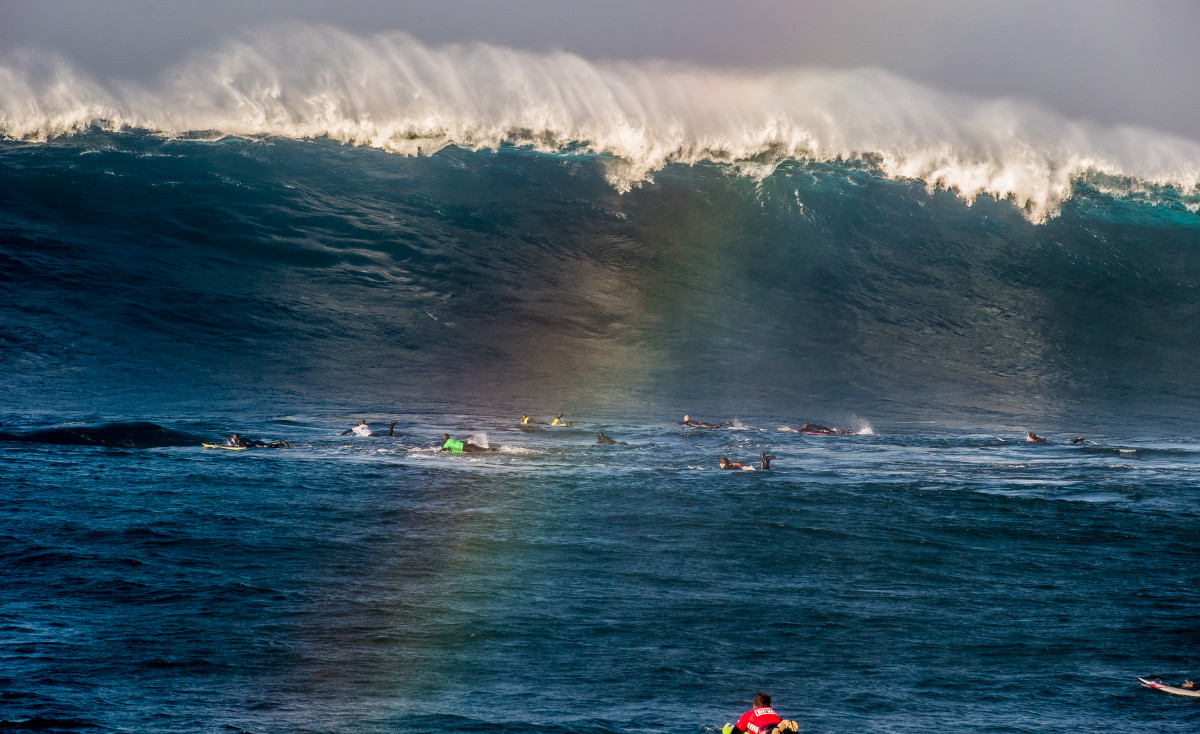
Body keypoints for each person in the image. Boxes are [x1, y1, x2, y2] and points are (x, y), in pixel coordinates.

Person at [228, 433, 292, 448]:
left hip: (256, 444)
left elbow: (247, 446)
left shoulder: (239, 441)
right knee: (269, 446)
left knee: (267, 446)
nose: (231, 440)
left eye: (231, 439)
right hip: (256, 442)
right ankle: (280, 443)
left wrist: (239, 447)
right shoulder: (241, 439)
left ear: (234, 438)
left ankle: (280, 442)